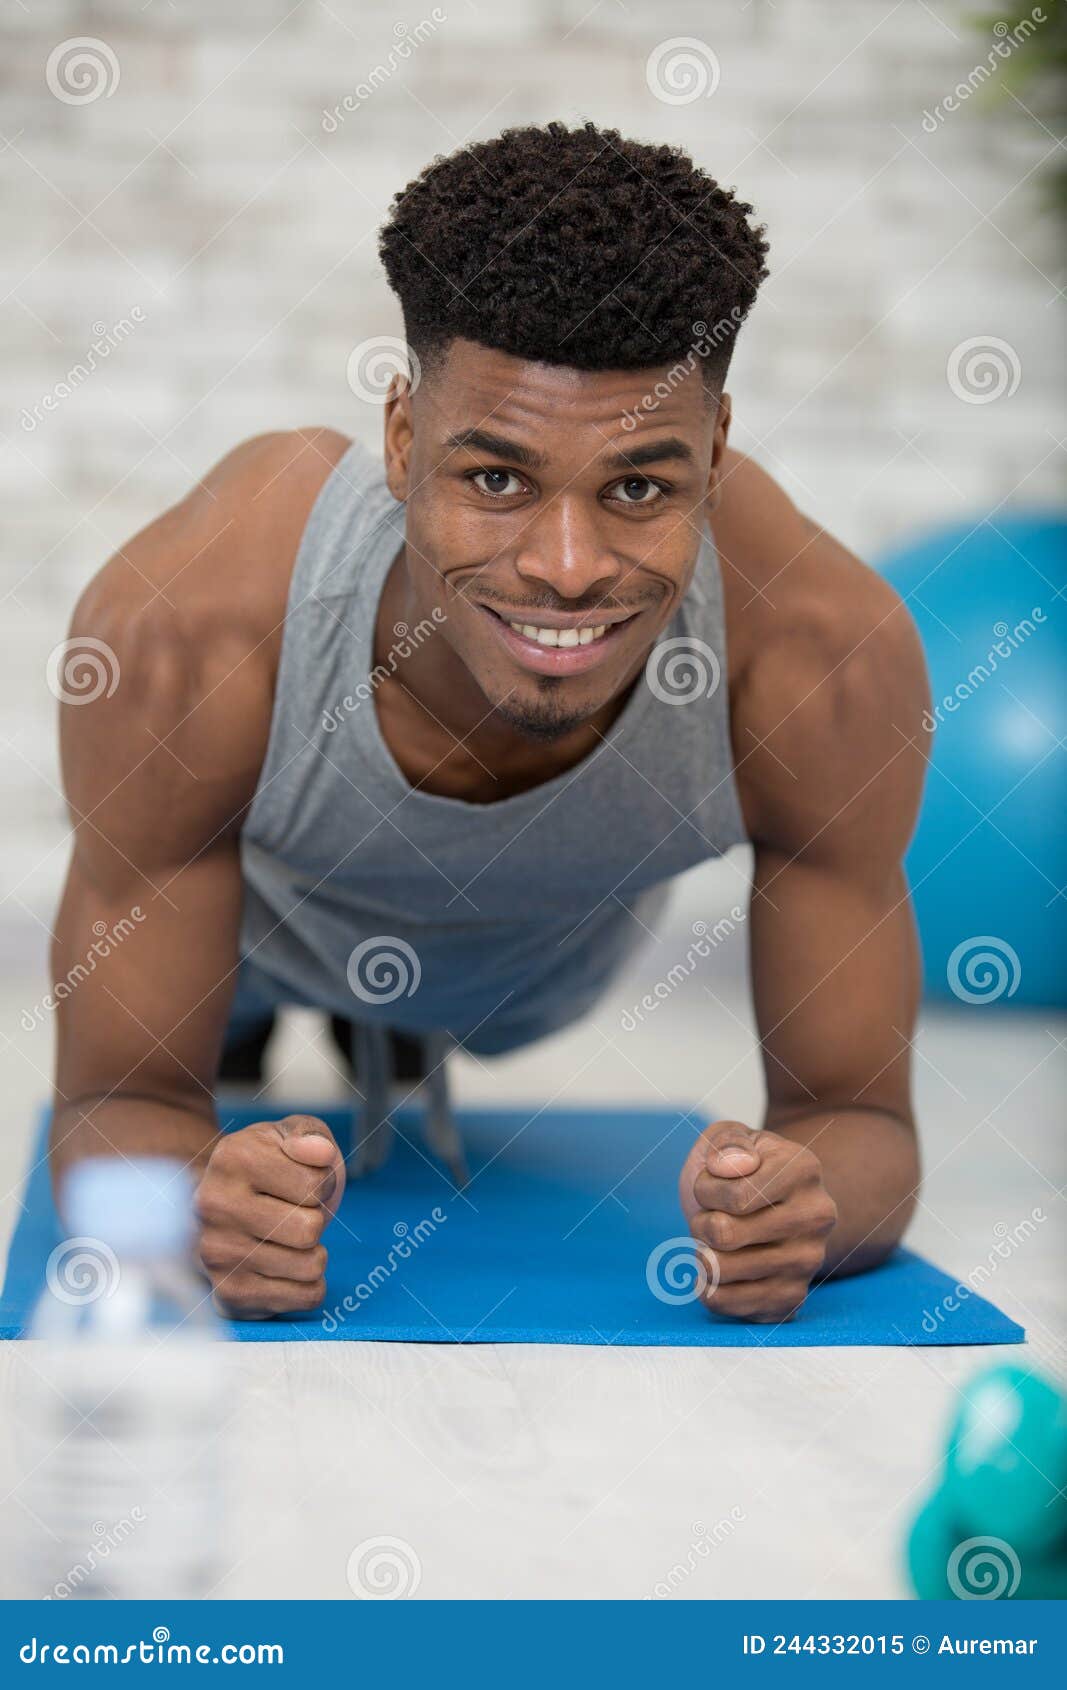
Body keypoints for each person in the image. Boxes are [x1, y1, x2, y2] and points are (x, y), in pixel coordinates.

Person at [50, 123, 928, 1323]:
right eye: (497, 478)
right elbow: (117, 1099)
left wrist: (804, 1205)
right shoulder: (189, 625)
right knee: (215, 999)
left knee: (449, 1021)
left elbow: (860, 1121)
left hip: (536, 969)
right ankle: (280, 1012)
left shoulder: (824, 657)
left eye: (637, 488)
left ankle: (403, 1034)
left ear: (716, 455)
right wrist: (205, 1195)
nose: (566, 570)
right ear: (402, 440)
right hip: (278, 916)